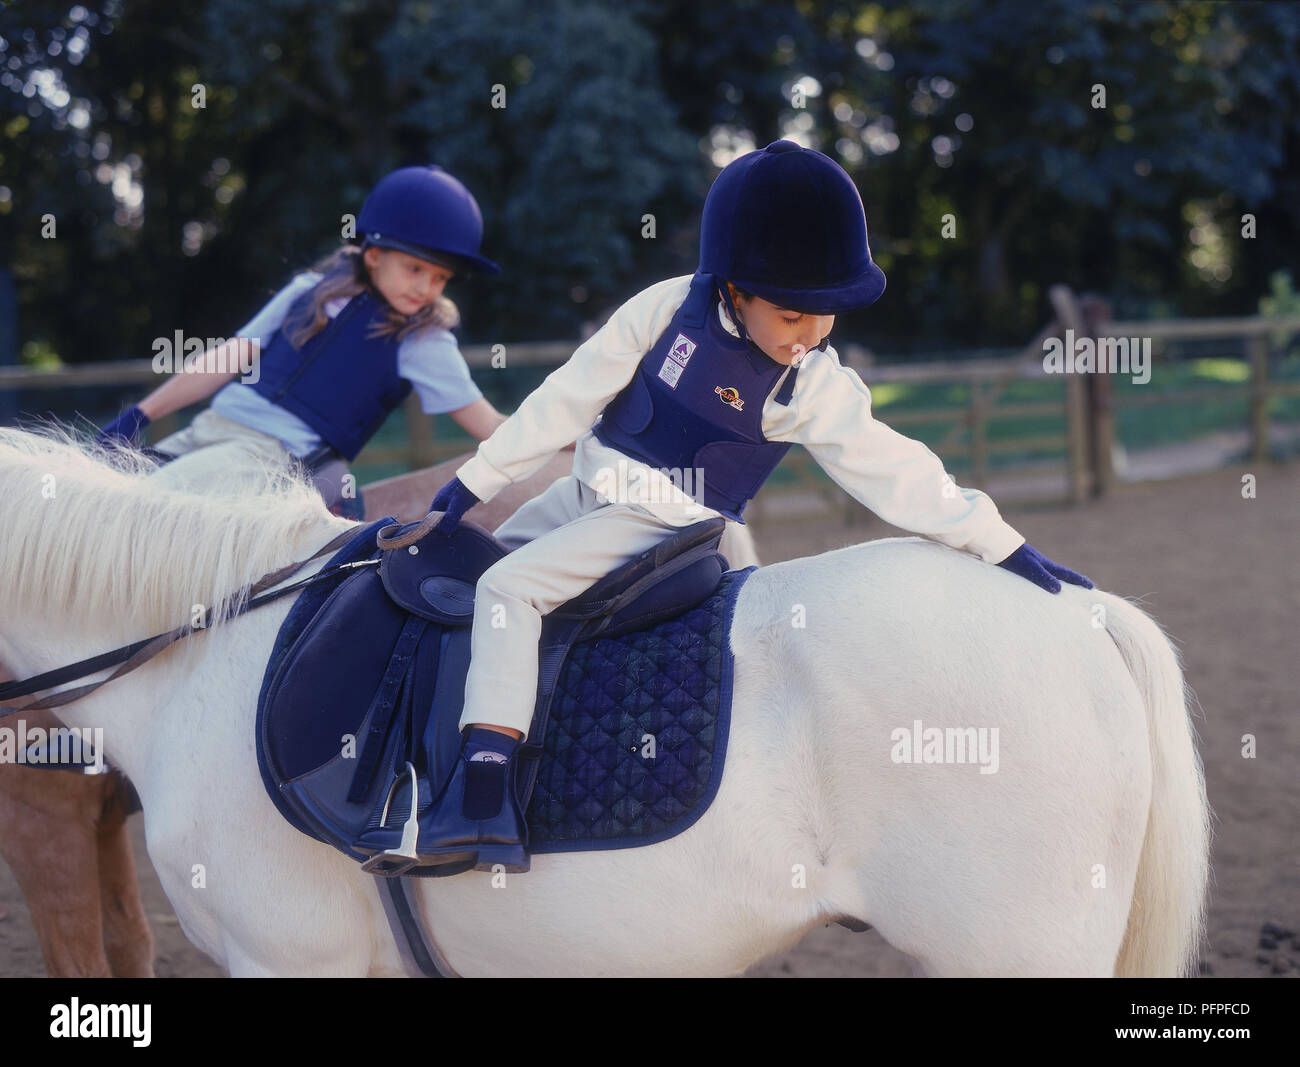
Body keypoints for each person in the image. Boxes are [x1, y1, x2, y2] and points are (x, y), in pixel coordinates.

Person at [359, 139, 1093, 874]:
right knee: (468, 567)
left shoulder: (809, 385)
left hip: (663, 524)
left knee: (505, 590)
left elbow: (895, 468)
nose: (810, 336)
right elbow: (567, 397)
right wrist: (475, 485)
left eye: (825, 318)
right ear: (732, 288)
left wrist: (996, 541)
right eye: (793, 316)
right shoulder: (666, 306)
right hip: (584, 493)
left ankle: (483, 801)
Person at [97, 166, 507, 515]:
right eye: (415, 268)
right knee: (100, 496)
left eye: (440, 278)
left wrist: (561, 436)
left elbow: (488, 426)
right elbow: (227, 359)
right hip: (212, 429)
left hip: (276, 459)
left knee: (143, 511)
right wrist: (139, 415)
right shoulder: (306, 291)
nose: (426, 288)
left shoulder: (422, 341)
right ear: (374, 255)